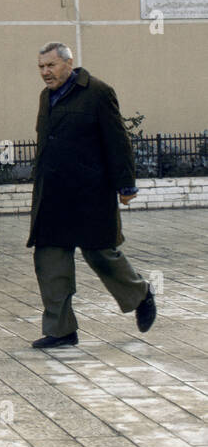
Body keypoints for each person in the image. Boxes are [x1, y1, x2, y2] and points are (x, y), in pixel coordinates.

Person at [28, 42, 155, 349]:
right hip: (52, 196)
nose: (45, 72)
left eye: (51, 66)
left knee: (101, 253)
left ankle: (140, 294)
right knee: (50, 262)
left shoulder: (98, 92)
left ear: (68, 64)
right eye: (41, 67)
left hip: (89, 193)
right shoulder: (47, 97)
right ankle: (61, 331)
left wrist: (126, 186)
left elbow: (117, 142)